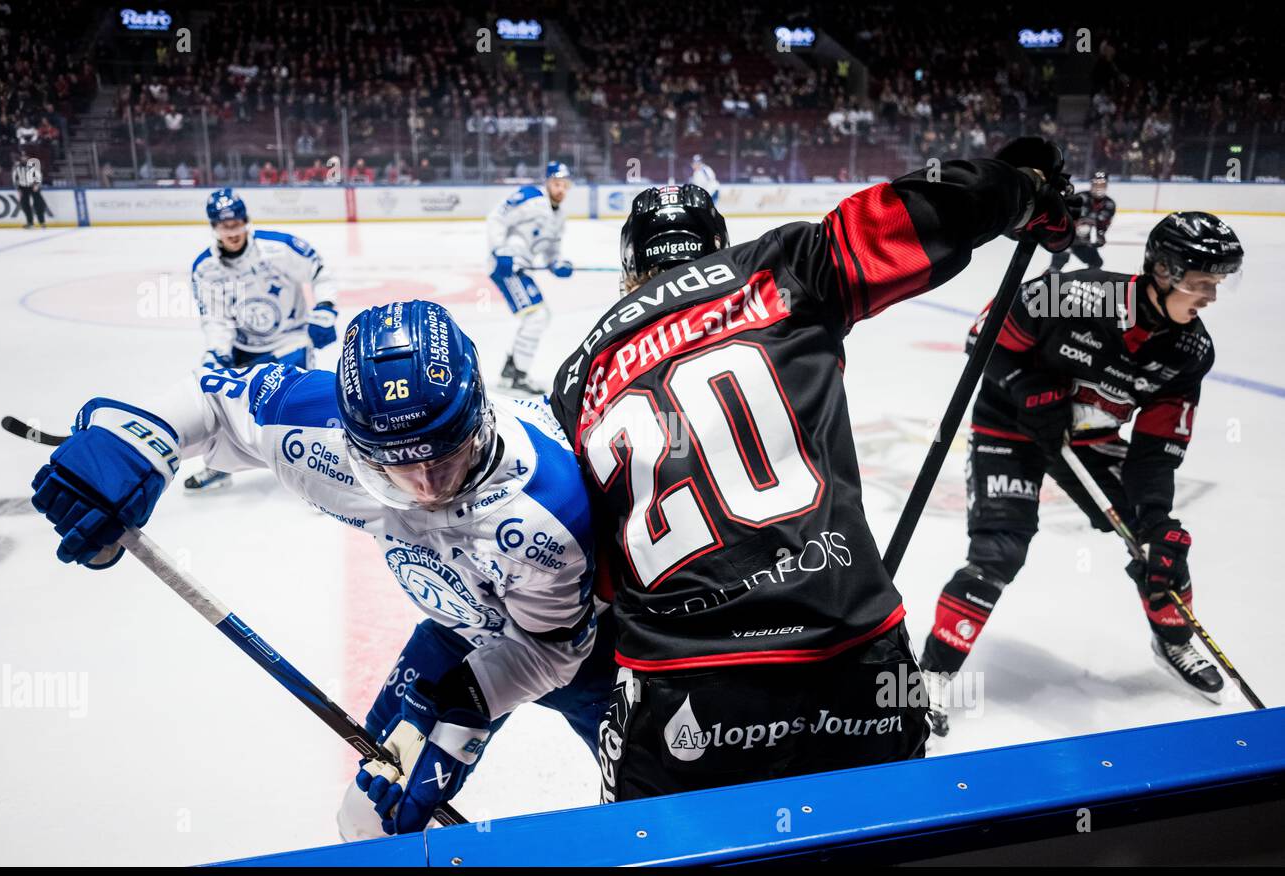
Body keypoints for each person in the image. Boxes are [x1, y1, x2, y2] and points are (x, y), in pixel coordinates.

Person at [548, 137, 1074, 802]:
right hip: (853, 662)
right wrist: (1022, 190)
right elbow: (915, 213)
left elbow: (590, 578)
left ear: (629, 272)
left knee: (662, 852)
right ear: (717, 243)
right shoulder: (779, 268)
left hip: (685, 690)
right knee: (892, 841)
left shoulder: (577, 380)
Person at [27, 300, 610, 838]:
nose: (427, 487)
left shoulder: (548, 511)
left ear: (479, 420)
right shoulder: (313, 428)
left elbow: (550, 649)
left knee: (656, 803)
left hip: (587, 642)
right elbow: (212, 400)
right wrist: (131, 443)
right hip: (459, 621)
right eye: (397, 468)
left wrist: (465, 716)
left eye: (445, 457)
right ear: (351, 438)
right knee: (369, 822)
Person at [920, 212, 1244, 736]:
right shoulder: (1070, 296)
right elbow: (983, 338)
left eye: (1217, 283)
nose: (1210, 295)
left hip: (1089, 444)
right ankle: (929, 676)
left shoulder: (1189, 353)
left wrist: (1156, 518)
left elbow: (1156, 449)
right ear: (1162, 271)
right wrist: (1031, 389)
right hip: (1013, 427)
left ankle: (1174, 638)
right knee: (998, 552)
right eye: (1201, 280)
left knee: (1160, 546)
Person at [185, 187, 339, 492]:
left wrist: (325, 307)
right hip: (244, 348)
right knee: (225, 410)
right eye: (224, 226)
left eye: (237, 223)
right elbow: (214, 316)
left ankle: (322, 474)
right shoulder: (205, 268)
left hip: (290, 342)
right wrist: (217, 351)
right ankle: (219, 466)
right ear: (214, 227)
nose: (232, 232)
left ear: (246, 221)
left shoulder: (278, 248)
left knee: (301, 408)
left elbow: (319, 271)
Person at [487, 160, 573, 394]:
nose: (561, 189)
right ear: (547, 181)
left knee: (539, 316)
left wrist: (557, 263)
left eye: (565, 185)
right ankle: (518, 374)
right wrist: (499, 251)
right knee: (537, 316)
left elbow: (551, 250)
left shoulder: (559, 217)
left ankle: (512, 369)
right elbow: (497, 218)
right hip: (507, 266)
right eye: (557, 183)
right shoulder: (530, 197)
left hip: (521, 267)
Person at [1048, 170, 1116, 273]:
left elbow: (1103, 226)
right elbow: (1063, 216)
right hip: (1066, 237)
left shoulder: (1109, 204)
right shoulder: (1080, 197)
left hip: (1083, 242)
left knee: (1096, 263)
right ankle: (1044, 284)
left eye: (1102, 185)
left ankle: (1082, 282)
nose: (1099, 188)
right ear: (1091, 184)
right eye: (1096, 184)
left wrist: (1100, 236)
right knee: (1058, 263)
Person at [12, 154, 47, 228]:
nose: (24, 158)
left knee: (38, 204)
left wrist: (37, 185)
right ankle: (30, 223)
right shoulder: (17, 167)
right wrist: (18, 189)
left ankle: (42, 222)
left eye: (25, 157)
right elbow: (14, 178)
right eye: (22, 157)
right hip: (23, 188)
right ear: (20, 158)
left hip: (33, 186)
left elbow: (38, 175)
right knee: (25, 205)